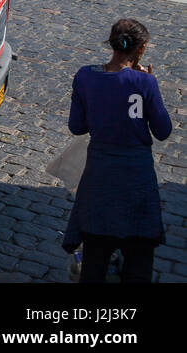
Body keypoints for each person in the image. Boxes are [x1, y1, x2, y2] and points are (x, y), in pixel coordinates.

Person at [62, 18, 172, 283]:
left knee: (94, 260)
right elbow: (163, 130)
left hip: (99, 178)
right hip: (138, 179)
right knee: (139, 260)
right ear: (141, 49)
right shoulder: (145, 83)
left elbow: (77, 126)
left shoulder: (85, 76)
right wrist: (149, 83)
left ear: (111, 42)